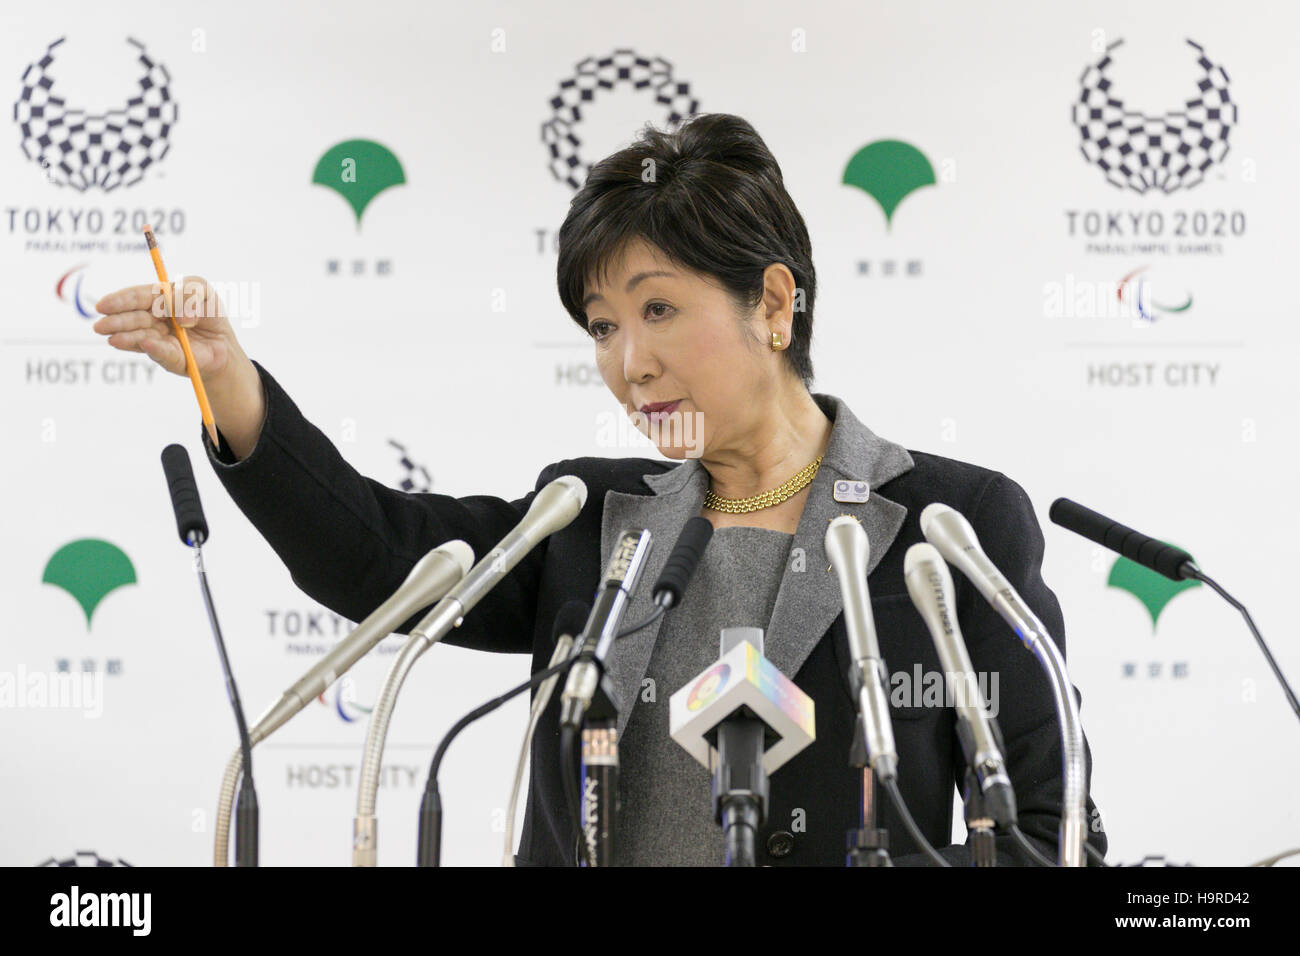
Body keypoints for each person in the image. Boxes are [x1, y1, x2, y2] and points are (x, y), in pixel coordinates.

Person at [92, 112, 1107, 867]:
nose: (629, 362)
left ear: (772, 302)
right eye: (601, 325)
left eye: (657, 308)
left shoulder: (947, 524)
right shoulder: (588, 521)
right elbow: (374, 555)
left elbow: (1052, 818)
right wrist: (226, 379)